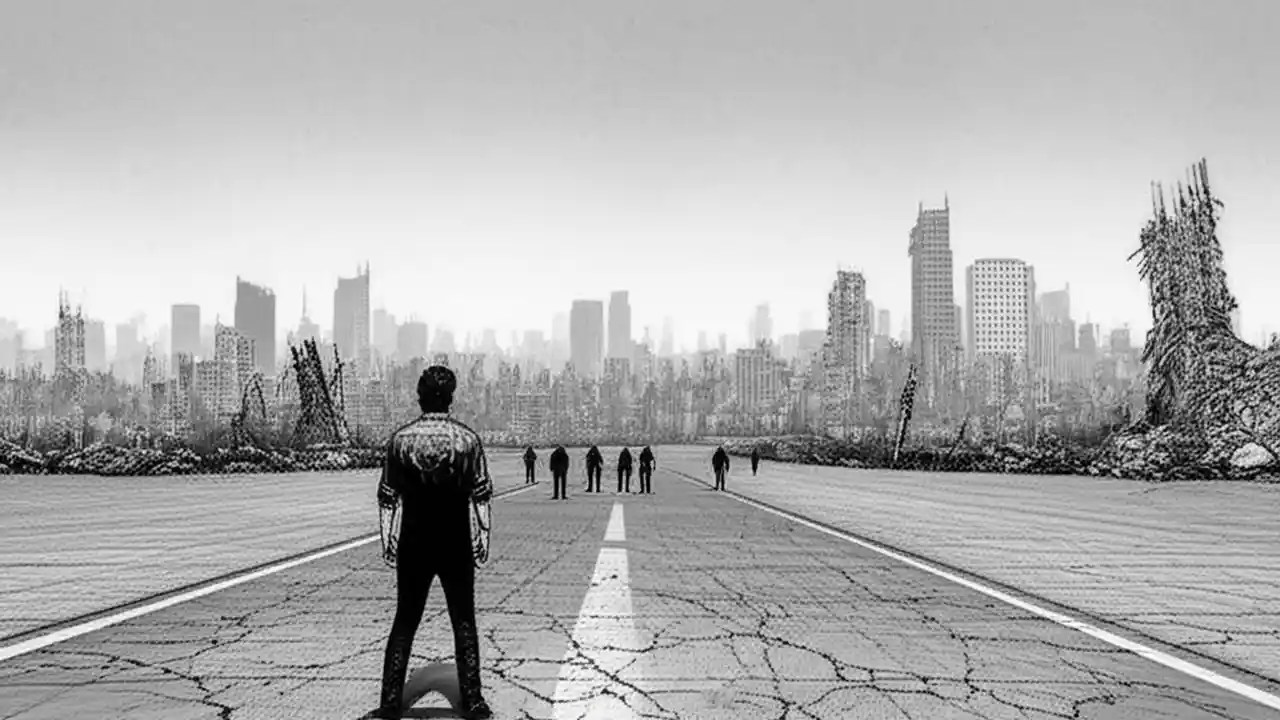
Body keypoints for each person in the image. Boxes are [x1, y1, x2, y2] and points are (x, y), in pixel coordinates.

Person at [375, 366, 493, 720]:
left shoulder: (400, 440)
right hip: (455, 540)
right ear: (451, 398)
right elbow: (482, 495)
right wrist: (482, 535)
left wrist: (388, 538)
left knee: (405, 621)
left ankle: (390, 703)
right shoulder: (468, 440)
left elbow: (386, 497)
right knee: (464, 621)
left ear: (419, 396)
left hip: (414, 540)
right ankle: (473, 700)